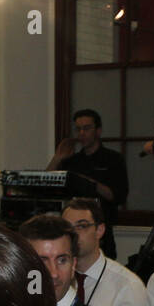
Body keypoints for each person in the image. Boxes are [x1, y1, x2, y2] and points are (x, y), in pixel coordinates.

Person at [61, 197, 152, 306]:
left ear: (100, 230)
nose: (73, 234)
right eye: (67, 228)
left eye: (82, 226)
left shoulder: (127, 285)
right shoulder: (55, 280)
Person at [49, 109, 126, 257]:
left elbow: (118, 196)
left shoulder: (113, 159)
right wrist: (58, 158)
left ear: (98, 131)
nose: (82, 133)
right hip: (71, 230)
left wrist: (91, 184)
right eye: (78, 129)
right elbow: (47, 185)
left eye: (87, 128)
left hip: (101, 231)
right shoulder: (72, 161)